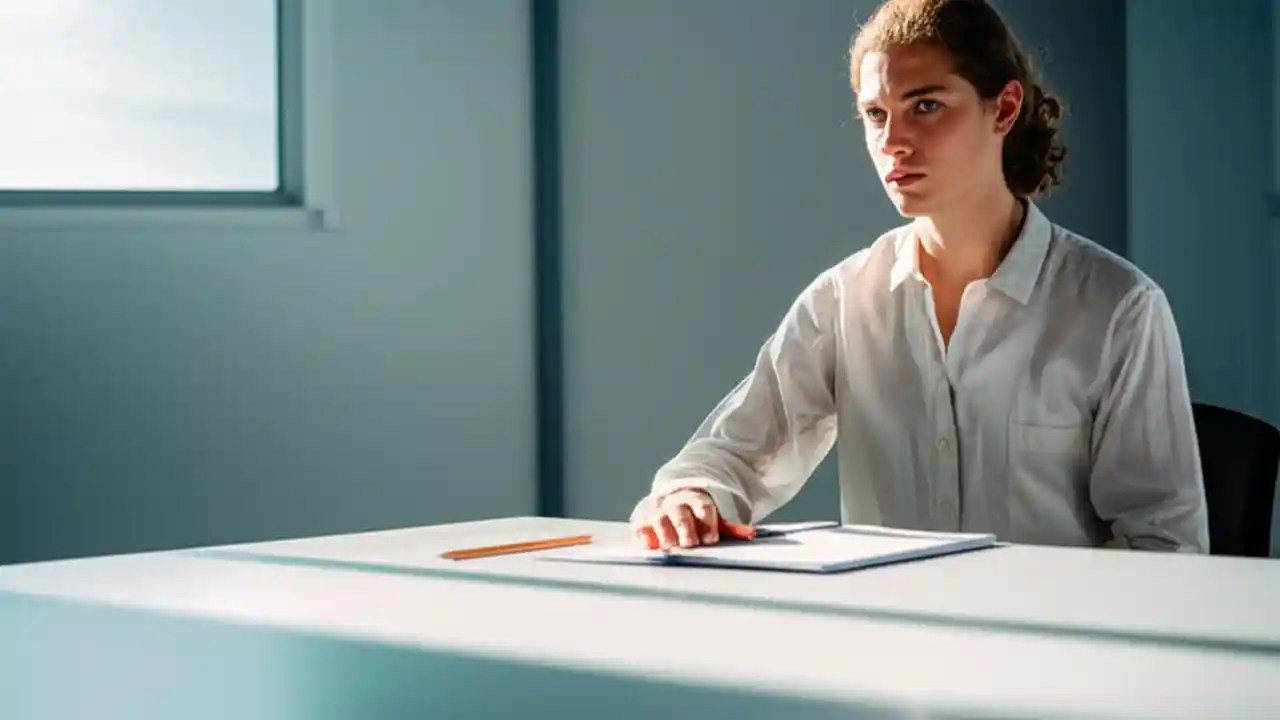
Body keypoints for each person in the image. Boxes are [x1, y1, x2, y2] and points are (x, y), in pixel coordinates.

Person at [629, 0, 1209, 553]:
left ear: (1004, 109)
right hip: (888, 646)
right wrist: (689, 495)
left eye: (925, 105)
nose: (892, 142)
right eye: (875, 114)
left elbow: (1165, 548)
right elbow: (728, 456)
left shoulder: (1118, 309)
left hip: (1054, 649)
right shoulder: (844, 300)